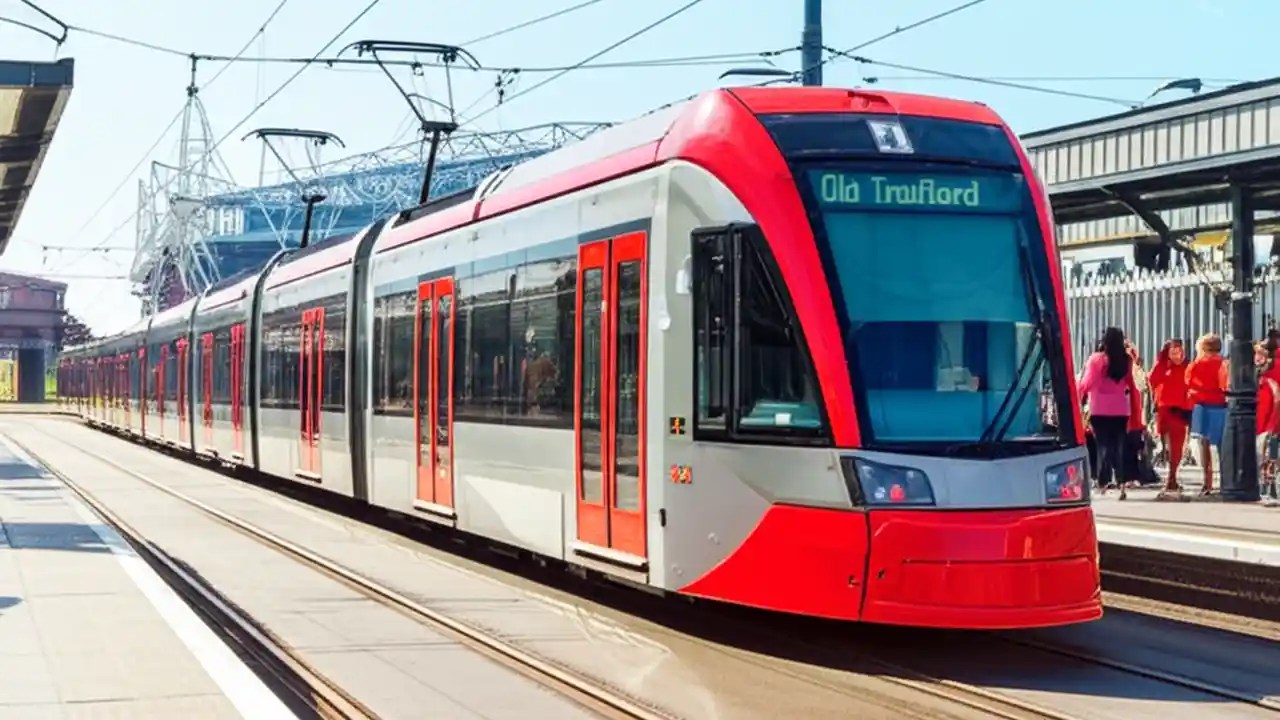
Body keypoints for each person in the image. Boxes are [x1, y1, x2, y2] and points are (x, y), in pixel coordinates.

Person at [1078, 327, 1140, 495]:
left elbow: (1088, 383)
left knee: (1103, 446)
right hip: (1121, 409)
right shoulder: (1125, 360)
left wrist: (1078, 392)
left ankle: (1103, 481)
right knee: (1119, 445)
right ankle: (1121, 482)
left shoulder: (1096, 359)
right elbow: (1131, 384)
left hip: (1099, 408)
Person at [1185, 333, 1229, 496]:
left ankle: (1207, 481)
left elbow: (1188, 382)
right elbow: (1226, 384)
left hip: (1202, 405)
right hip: (1221, 405)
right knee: (1222, 445)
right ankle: (1225, 480)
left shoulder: (1196, 364)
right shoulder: (1224, 364)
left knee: (1204, 444)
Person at [1148, 338, 1192, 499]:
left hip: (1182, 409)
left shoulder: (1188, 366)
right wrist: (1161, 363)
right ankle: (1171, 477)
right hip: (1166, 410)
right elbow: (1151, 381)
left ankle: (1172, 476)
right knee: (1169, 446)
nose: (1178, 355)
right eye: (1174, 352)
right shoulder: (1163, 366)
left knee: (1178, 446)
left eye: (1180, 352)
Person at [1256, 338, 1280, 495]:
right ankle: (1268, 482)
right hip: (1267, 419)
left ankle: (1267, 483)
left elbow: (1277, 398)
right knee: (1269, 451)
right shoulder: (1262, 376)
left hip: (1267, 420)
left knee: (1265, 451)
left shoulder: (1269, 378)